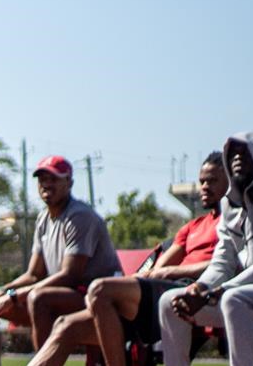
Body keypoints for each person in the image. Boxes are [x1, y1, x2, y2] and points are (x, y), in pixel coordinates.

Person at [27, 153, 227, 366]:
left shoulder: (235, 222)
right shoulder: (192, 226)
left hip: (196, 292)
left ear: (230, 181)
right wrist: (150, 275)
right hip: (162, 292)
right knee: (66, 325)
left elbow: (228, 263)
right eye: (202, 181)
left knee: (99, 289)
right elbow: (159, 268)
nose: (204, 187)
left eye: (212, 181)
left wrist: (168, 272)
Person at [0, 156, 122, 366]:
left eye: (54, 178)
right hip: (58, 297)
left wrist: (13, 297)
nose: (46, 184)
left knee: (38, 298)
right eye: (42, 179)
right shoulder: (43, 219)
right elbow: (34, 274)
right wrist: (5, 291)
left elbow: (70, 276)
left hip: (95, 299)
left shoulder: (79, 216)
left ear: (69, 182)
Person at [161, 133, 253, 366]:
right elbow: (222, 263)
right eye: (233, 154)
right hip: (246, 292)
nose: (237, 158)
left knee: (234, 299)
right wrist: (199, 288)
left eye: (245, 152)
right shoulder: (230, 204)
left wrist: (218, 292)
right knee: (170, 302)